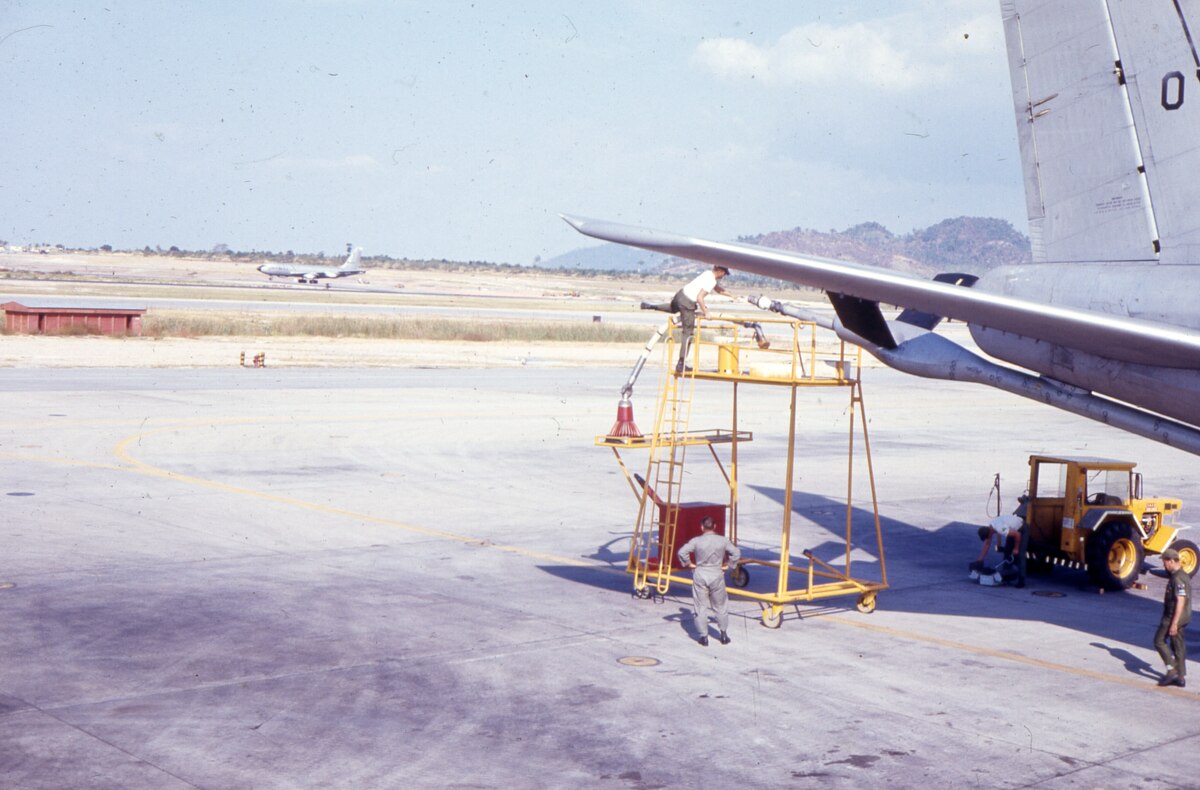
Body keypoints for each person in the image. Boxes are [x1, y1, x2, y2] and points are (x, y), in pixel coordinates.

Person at [642, 265, 732, 374]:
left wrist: (733, 296)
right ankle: (681, 363)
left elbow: (718, 290)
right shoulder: (711, 281)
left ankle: (651, 306)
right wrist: (706, 312)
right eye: (724, 273)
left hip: (680, 295)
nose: (724, 276)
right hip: (687, 303)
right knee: (688, 333)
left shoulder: (707, 273)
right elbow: (700, 298)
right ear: (720, 271)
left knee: (673, 308)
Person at [677, 516, 740, 646]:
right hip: (716, 574)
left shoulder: (696, 541)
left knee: (700, 607)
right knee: (720, 606)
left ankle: (704, 637)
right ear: (715, 526)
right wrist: (729, 565)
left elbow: (682, 552)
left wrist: (689, 564)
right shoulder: (723, 540)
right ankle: (723, 635)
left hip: (700, 573)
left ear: (702, 527)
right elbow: (736, 553)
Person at [1155, 547, 1191, 687]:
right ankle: (1180, 677)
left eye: (1164, 562)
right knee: (1177, 645)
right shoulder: (1183, 574)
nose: (1164, 565)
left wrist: (1174, 623)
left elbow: (1180, 600)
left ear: (1171, 561)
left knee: (1159, 641)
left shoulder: (1177, 578)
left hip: (1172, 617)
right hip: (1183, 616)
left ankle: (1171, 670)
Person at [969, 512, 1027, 588]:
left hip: (1022, 529)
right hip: (1012, 529)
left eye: (988, 537)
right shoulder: (990, 526)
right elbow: (987, 544)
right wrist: (980, 560)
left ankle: (1021, 581)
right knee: (1007, 552)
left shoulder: (1001, 529)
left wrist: (1016, 548)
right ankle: (1007, 574)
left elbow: (1017, 534)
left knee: (1020, 555)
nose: (988, 538)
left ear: (989, 533)